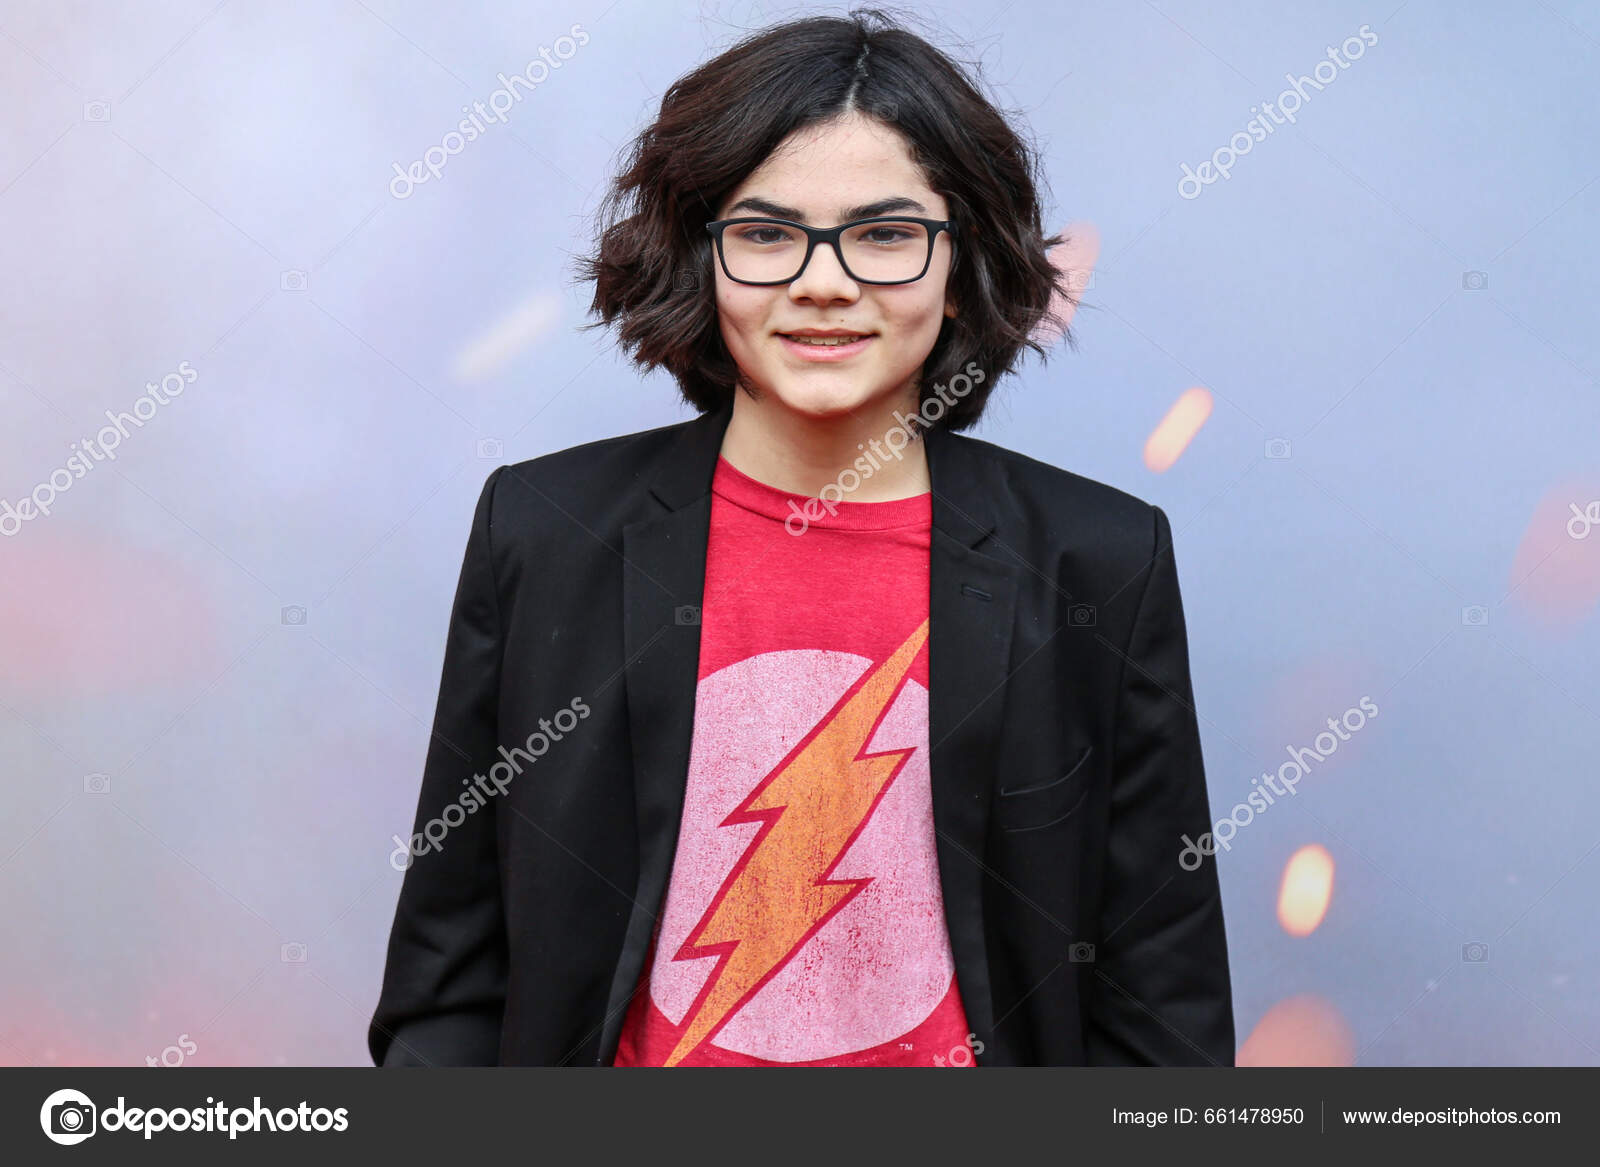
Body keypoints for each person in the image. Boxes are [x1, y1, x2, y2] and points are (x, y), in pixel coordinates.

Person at [369, 8, 1233, 1067]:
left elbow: (1162, 1014)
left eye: (885, 235)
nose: (824, 282)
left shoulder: (1098, 559)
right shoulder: (544, 531)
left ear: (962, 260)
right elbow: (449, 983)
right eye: (767, 234)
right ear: (699, 253)